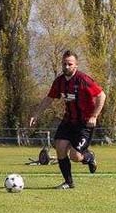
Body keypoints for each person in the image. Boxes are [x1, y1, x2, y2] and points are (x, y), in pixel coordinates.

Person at [29, 50, 106, 189]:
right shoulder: (59, 81)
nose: (66, 66)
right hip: (68, 121)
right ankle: (68, 182)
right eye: (64, 64)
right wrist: (36, 114)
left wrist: (94, 116)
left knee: (75, 156)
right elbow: (49, 98)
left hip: (85, 124)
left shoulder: (84, 80)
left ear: (76, 65)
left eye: (69, 64)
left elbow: (101, 95)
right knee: (60, 147)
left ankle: (89, 157)